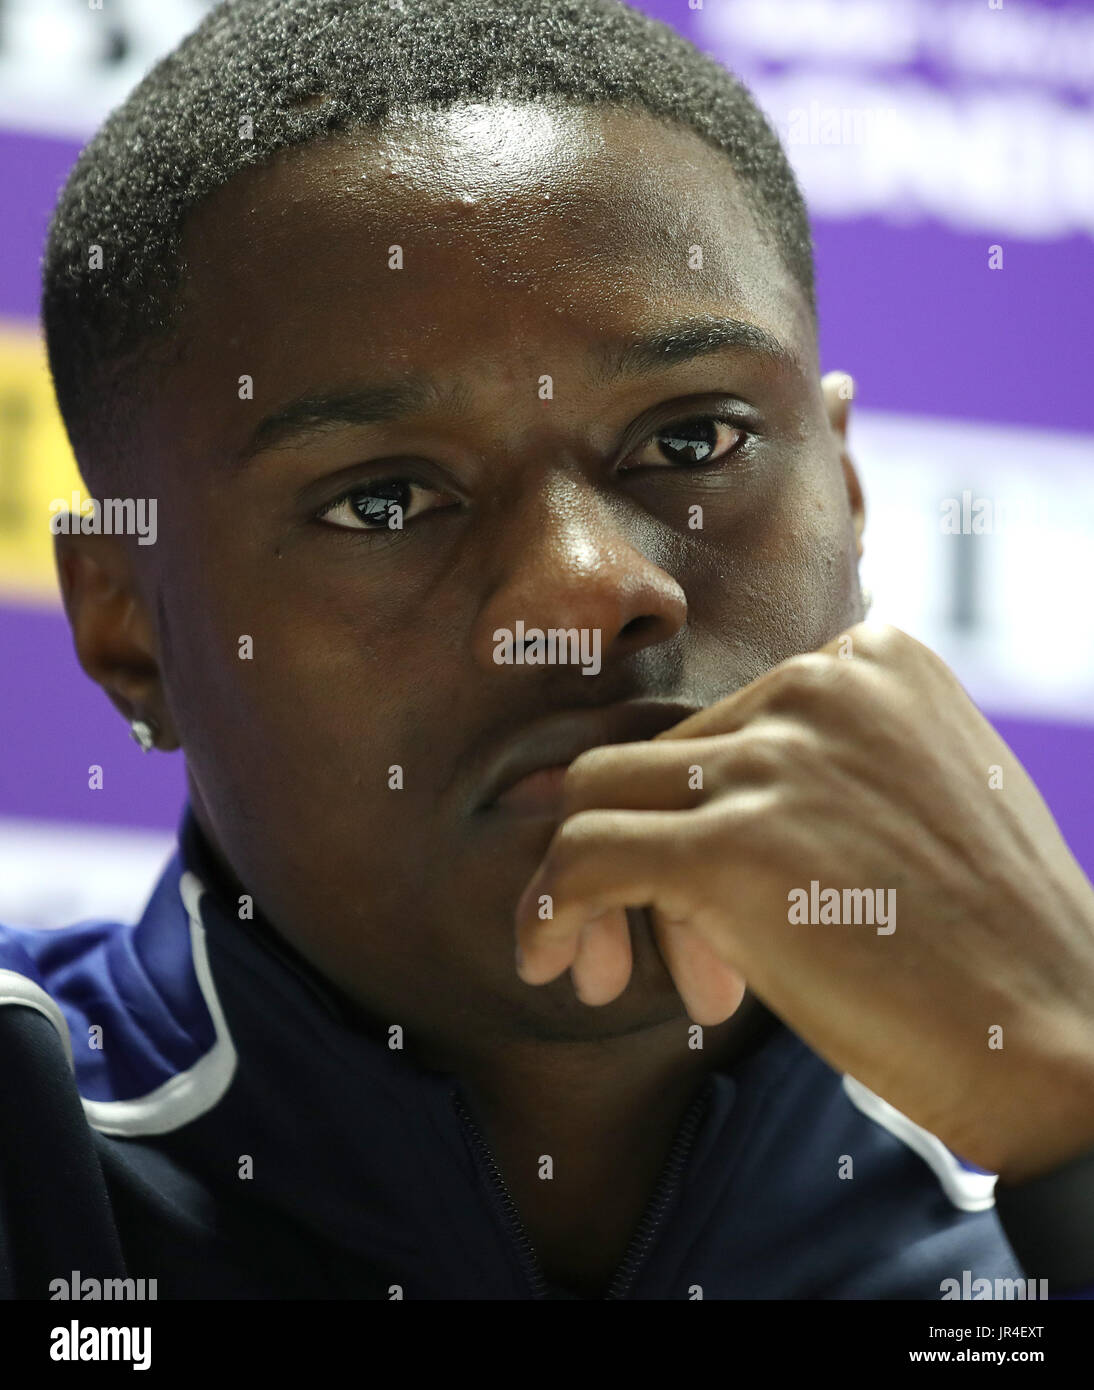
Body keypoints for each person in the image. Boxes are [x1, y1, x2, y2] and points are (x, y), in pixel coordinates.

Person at [1, 0, 1091, 1301]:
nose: (586, 589)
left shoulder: (1048, 1122)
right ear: (126, 622)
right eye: (384, 501)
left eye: (692, 443)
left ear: (846, 496)